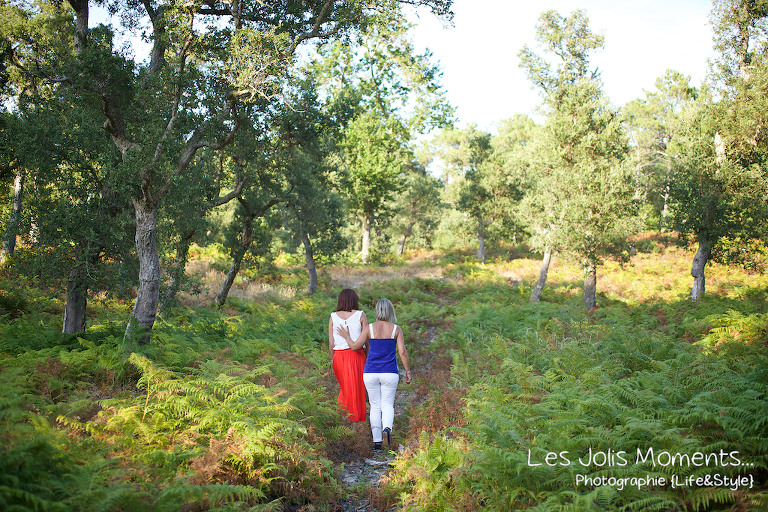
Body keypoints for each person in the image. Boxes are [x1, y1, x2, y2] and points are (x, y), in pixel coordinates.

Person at [337, 298, 411, 450]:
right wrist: (408, 370)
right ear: (390, 311)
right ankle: (387, 429)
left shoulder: (369, 328)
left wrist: (347, 337)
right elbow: (402, 352)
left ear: (377, 311)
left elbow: (355, 346)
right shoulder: (396, 329)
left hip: (370, 372)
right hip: (390, 372)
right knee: (388, 404)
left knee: (375, 405)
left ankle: (377, 441)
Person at [329, 288, 368, 422]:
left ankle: (343, 420)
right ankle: (356, 420)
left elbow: (331, 343)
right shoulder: (361, 315)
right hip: (356, 356)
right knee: (357, 390)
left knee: (345, 389)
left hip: (338, 357)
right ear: (354, 300)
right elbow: (366, 340)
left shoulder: (333, 316)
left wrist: (332, 359)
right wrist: (366, 356)